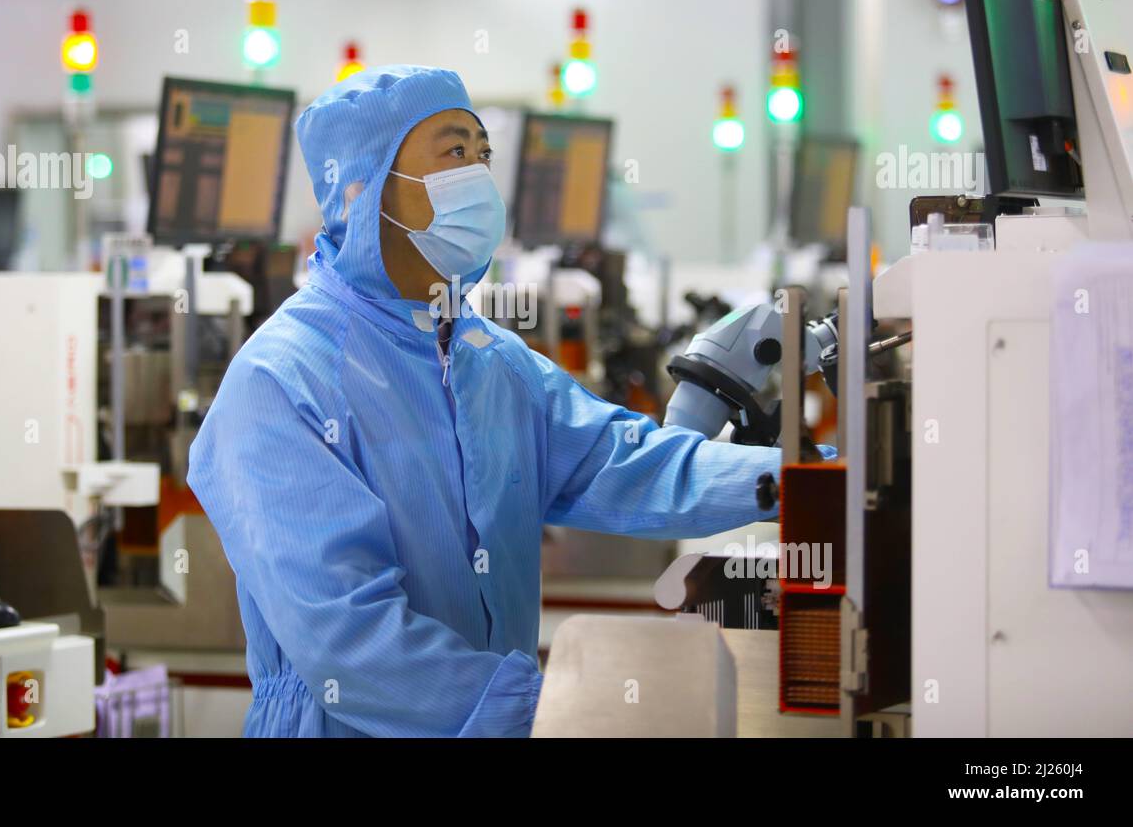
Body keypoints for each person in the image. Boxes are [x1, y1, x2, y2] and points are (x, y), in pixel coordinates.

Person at [188, 65, 790, 737]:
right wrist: (551, 712)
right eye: (454, 151)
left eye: (483, 154)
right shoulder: (280, 382)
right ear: (361, 189)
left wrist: (804, 479)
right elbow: (352, 646)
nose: (477, 175)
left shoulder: (488, 357)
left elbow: (628, 463)